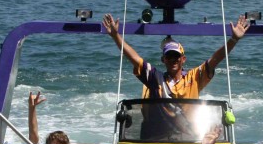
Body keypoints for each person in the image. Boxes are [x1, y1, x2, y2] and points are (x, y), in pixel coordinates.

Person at [103, 13, 249, 100]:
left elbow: (215, 60)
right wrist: (116, 36)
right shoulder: (155, 78)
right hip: (159, 136)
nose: (173, 60)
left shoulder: (194, 77)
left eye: (176, 56)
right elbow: (135, 59)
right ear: (163, 60)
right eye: (169, 56)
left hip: (187, 137)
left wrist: (234, 39)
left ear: (183, 59)